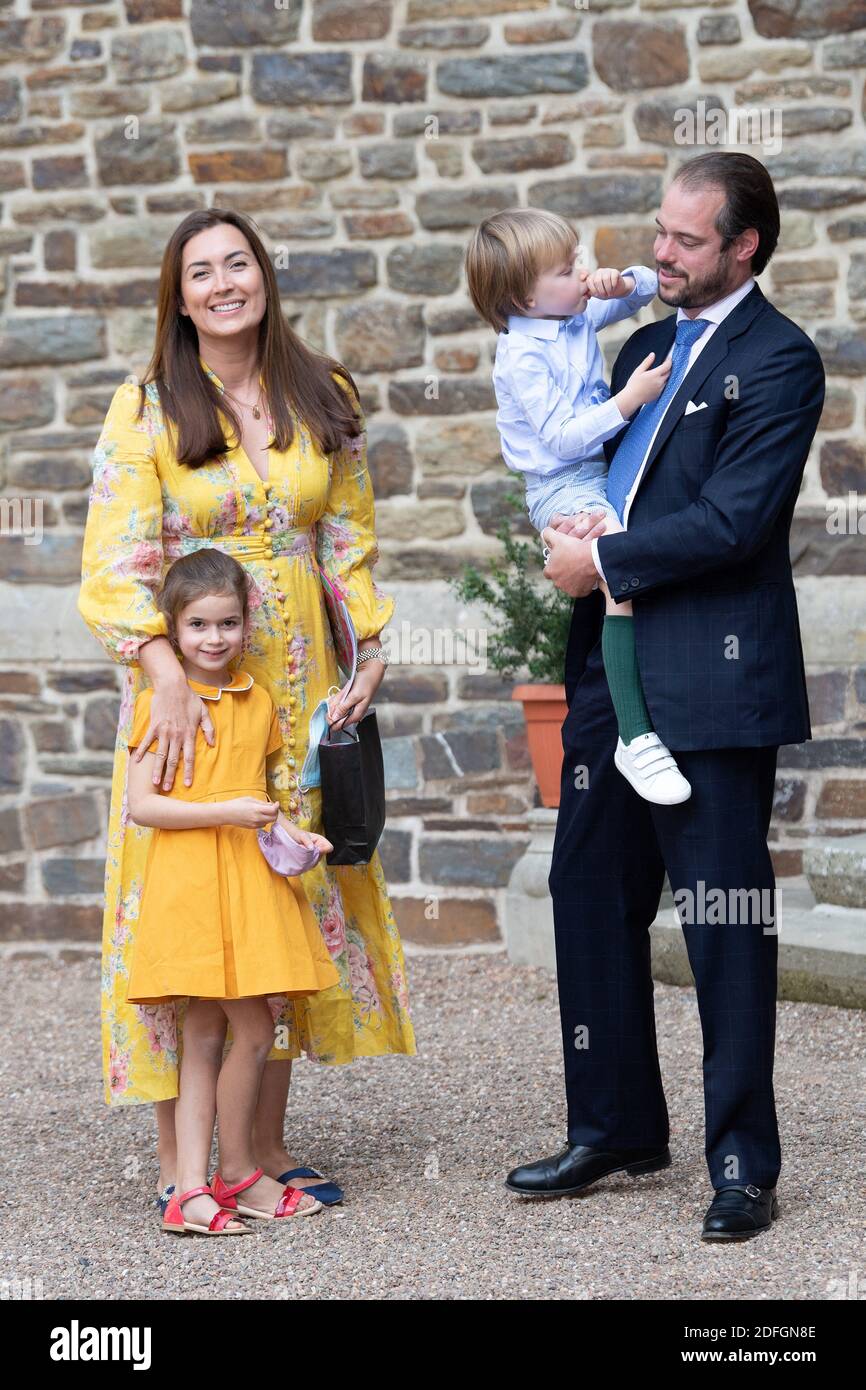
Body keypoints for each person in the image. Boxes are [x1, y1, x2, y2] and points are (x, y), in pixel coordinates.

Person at [505, 152, 825, 1242]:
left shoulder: (778, 362)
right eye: (658, 231)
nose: (658, 253)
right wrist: (563, 537)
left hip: (713, 684)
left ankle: (740, 1159)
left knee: (723, 922)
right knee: (587, 895)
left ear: (742, 246)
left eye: (684, 240)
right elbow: (576, 458)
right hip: (606, 669)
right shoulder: (641, 344)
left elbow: (734, 522)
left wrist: (603, 563)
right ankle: (615, 1127)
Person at [77, 207, 416, 1216]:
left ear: (262, 274)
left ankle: (256, 1147)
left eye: (238, 263)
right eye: (201, 272)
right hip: (194, 682)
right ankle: (188, 1163)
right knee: (189, 903)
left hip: (304, 683)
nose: (224, 283)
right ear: (176, 298)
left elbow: (349, 538)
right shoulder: (143, 409)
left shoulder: (324, 393)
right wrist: (159, 670)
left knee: (285, 899)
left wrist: (372, 645)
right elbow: (114, 562)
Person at [127, 549, 339, 1232]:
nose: (214, 638)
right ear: (173, 629)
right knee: (248, 1024)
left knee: (212, 1026)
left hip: (244, 881)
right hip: (190, 886)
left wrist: (295, 838)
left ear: (248, 624)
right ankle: (236, 1173)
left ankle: (194, 1191)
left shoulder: (259, 698)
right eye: (197, 626)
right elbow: (143, 805)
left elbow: (258, 800)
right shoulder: (165, 703)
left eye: (227, 623)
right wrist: (225, 813)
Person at [465, 208, 691, 805]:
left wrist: (623, 281)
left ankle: (643, 717)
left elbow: (647, 293)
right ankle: (635, 735)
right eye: (567, 270)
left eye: (578, 263)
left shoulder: (570, 312)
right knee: (618, 564)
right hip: (561, 482)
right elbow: (561, 439)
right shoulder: (521, 356)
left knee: (632, 561)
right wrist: (629, 400)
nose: (581, 274)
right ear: (521, 295)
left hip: (598, 468)